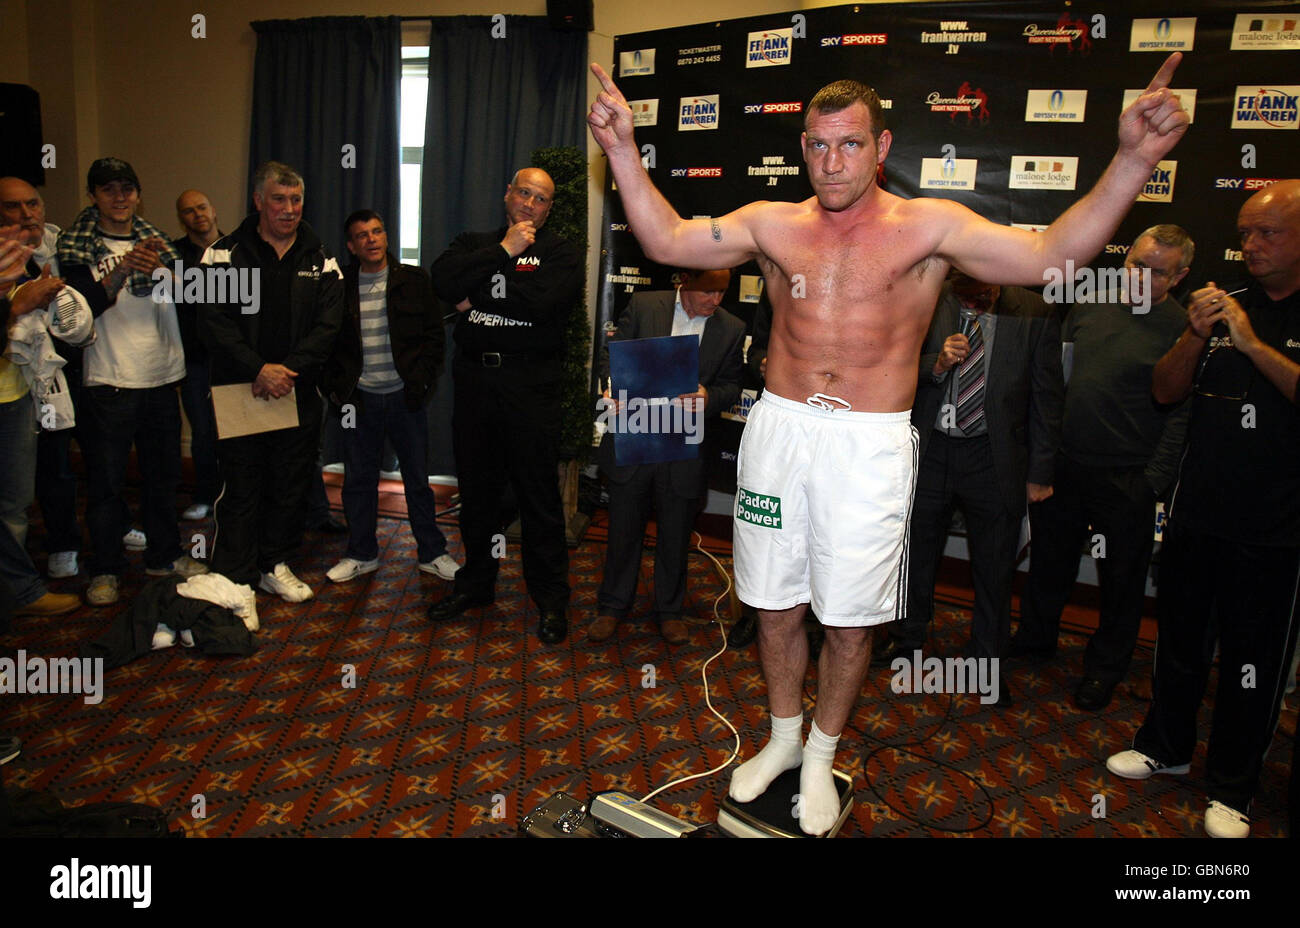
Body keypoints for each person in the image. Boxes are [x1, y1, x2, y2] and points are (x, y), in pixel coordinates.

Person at [587, 53, 1188, 834]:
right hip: (782, 429)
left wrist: (1136, 157)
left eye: (850, 144)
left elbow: (1051, 259)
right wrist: (623, 149)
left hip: (868, 444)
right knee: (773, 604)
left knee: (848, 619)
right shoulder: (772, 223)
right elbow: (667, 239)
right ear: (802, 147)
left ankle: (820, 752)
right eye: (817, 145)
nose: (831, 162)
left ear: (881, 146)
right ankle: (780, 738)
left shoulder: (928, 228)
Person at [1106, 180, 1300, 838]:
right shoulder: (1223, 305)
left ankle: (1233, 788)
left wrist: (1250, 345)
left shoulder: (1259, 322)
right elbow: (1165, 392)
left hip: (1277, 531)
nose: (1250, 245)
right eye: (1245, 232)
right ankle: (1165, 745)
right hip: (1198, 517)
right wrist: (1195, 334)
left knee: (1253, 662)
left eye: (1266, 233)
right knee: (1181, 643)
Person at [1013, 226, 1193, 711]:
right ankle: (1034, 640)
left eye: (1157, 272)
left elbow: (1181, 416)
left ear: (1179, 277)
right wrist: (1045, 455)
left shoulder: (1184, 328)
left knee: (1121, 581)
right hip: (1067, 464)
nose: (1141, 277)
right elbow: (1057, 381)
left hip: (1128, 475)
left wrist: (1153, 480)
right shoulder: (1090, 303)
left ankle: (1105, 669)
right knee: (1050, 562)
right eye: (1136, 264)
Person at [874, 271, 1063, 703]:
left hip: (993, 458)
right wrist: (935, 365)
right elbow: (890, 365)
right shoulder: (925, 300)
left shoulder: (1035, 312)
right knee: (916, 551)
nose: (978, 300)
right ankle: (908, 638)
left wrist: (1041, 472)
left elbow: (1047, 397)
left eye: (986, 292)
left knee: (995, 566)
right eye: (969, 293)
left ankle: (987, 662)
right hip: (932, 449)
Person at [427, 167, 584, 644]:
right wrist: (502, 253)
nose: (530, 204)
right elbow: (441, 280)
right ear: (507, 195)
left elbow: (542, 305)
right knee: (477, 494)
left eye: (541, 199)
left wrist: (475, 295)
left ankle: (551, 600)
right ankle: (476, 585)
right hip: (476, 382)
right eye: (524, 193)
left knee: (538, 498)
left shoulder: (561, 252)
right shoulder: (474, 243)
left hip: (530, 385)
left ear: (549, 208)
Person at [56, 158, 207, 606]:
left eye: (127, 189)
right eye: (108, 190)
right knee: (105, 483)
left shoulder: (157, 240)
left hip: (161, 375)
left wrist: (164, 269)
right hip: (109, 379)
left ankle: (164, 554)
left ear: (138, 194)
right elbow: (76, 311)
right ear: (93, 197)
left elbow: (191, 298)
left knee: (162, 479)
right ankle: (106, 569)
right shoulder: (77, 244)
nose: (119, 197)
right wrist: (122, 271)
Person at [199, 161, 343, 602]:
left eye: (296, 200)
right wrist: (258, 369)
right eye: (279, 199)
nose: (289, 209)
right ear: (258, 201)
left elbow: (329, 327)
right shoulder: (221, 255)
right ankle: (234, 575)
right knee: (241, 486)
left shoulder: (323, 259)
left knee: (288, 485)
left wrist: (286, 371)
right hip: (239, 389)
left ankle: (273, 563)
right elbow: (213, 325)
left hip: (297, 392)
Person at [593, 268, 744, 645]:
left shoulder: (731, 328)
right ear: (685, 284)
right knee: (623, 528)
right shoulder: (645, 305)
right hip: (635, 431)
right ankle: (612, 606)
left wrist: (709, 396)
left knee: (676, 533)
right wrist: (611, 386)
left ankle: (669, 611)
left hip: (685, 442)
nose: (716, 300)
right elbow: (610, 357)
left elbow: (732, 386)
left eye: (722, 292)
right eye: (709, 291)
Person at [323, 209, 458, 583]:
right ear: (351, 246)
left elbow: (434, 337)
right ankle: (361, 553)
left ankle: (432, 552)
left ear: (386, 237)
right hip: (359, 401)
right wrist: (336, 391)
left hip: (404, 398)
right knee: (358, 481)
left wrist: (423, 382)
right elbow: (327, 342)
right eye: (362, 235)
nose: (372, 239)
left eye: (377, 231)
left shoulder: (413, 280)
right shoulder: (340, 285)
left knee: (417, 480)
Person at [0, 228, 80, 618]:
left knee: (15, 503)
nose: (23, 217)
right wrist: (15, 305)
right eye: (11, 208)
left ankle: (18, 592)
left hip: (15, 392)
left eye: (32, 205)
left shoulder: (39, 258)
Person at [171, 189, 223, 522]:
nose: (197, 215)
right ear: (182, 218)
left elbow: (245, 298)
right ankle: (205, 495)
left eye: (202, 207)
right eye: (188, 211)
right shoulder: (173, 255)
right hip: (193, 359)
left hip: (234, 360)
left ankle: (235, 496)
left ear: (213, 210)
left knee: (237, 432)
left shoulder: (239, 249)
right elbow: (169, 300)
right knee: (203, 432)